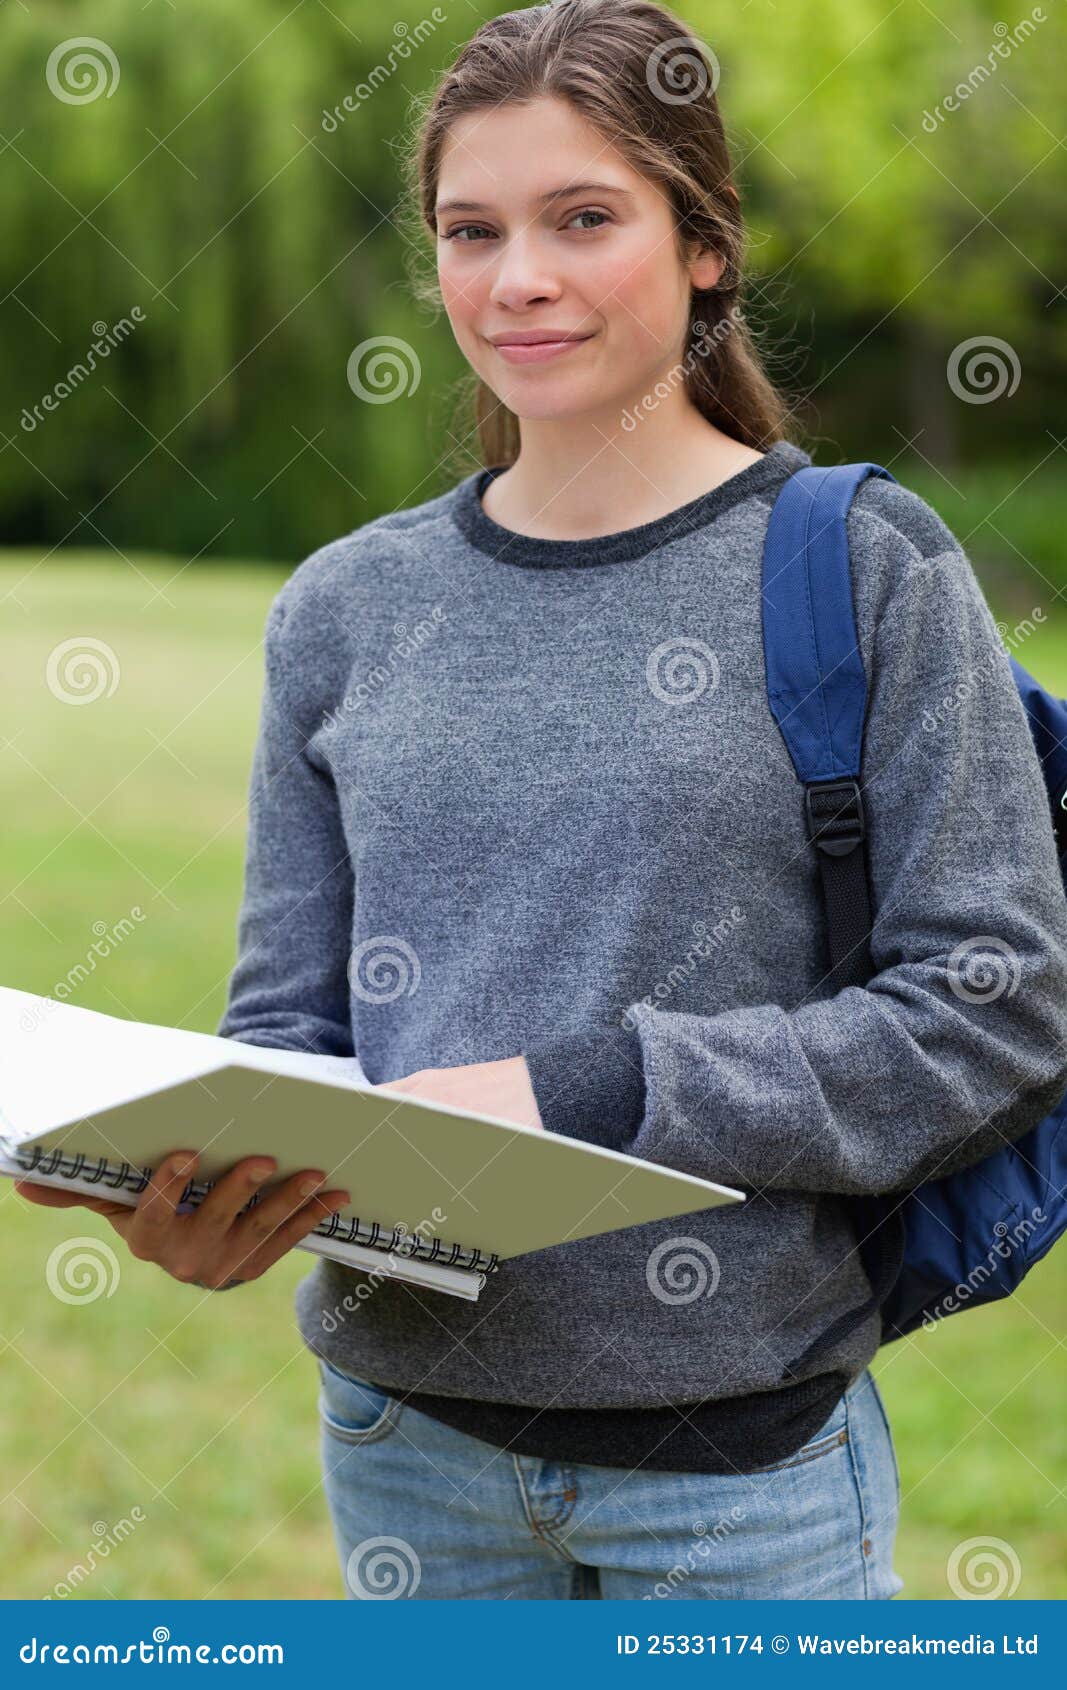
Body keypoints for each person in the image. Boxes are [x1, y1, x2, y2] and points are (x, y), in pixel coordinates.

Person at [20, 0, 1067, 1601]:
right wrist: (207, 1180)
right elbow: (292, 1030)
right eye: (471, 228)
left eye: (585, 218)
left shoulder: (864, 570)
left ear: (706, 247)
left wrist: (586, 1090)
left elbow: (993, 1011)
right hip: (401, 1450)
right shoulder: (345, 607)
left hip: (743, 1481)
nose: (518, 278)